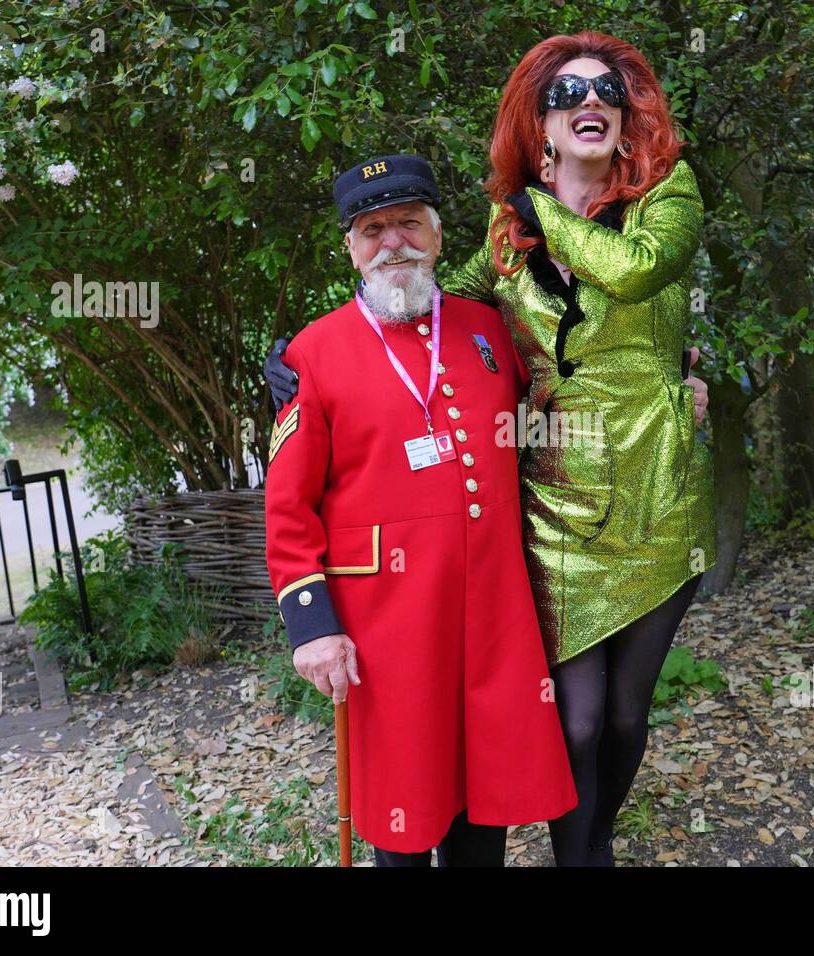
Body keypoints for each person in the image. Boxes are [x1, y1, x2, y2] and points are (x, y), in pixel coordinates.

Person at [266, 32, 716, 866]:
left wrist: (687, 375)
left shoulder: (660, 195)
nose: (589, 100)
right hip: (547, 514)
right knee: (559, 722)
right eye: (566, 92)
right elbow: (416, 302)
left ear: (625, 113)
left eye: (605, 89)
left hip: (653, 491)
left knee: (611, 722)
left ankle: (590, 852)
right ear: (540, 123)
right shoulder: (495, 256)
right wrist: (304, 351)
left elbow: (636, 277)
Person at [264, 152, 578, 867]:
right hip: (387, 626)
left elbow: (572, 390)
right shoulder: (311, 354)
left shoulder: (489, 330)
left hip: (495, 616)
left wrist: (676, 386)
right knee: (402, 811)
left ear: (438, 236)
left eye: (408, 223)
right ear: (350, 248)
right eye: (372, 230)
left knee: (486, 795)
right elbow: (287, 510)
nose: (392, 243)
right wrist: (312, 628)